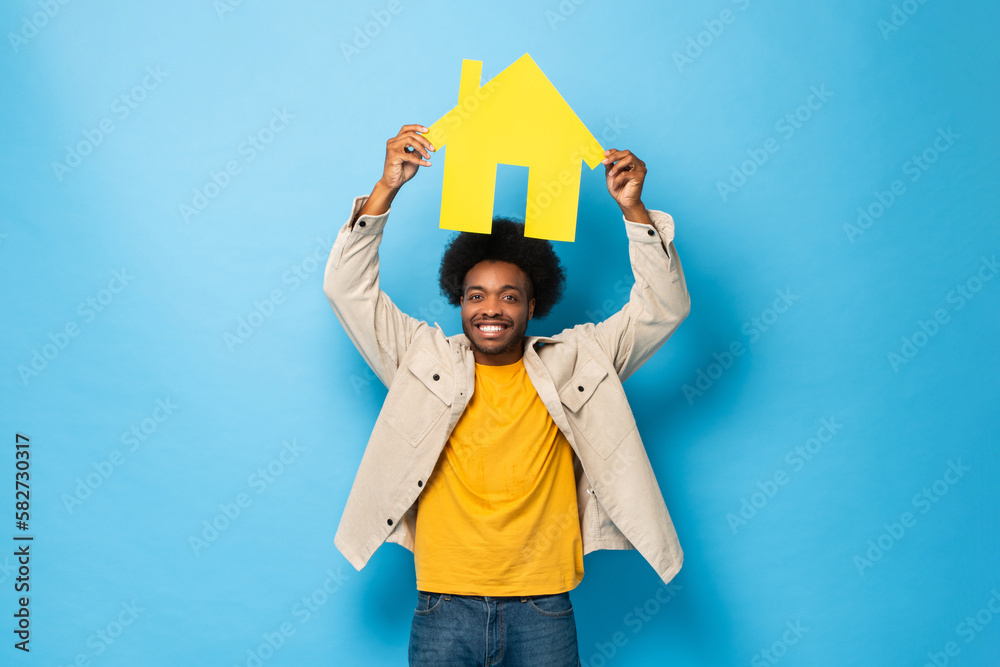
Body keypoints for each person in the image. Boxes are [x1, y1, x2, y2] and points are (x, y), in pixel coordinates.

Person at [323, 124, 691, 666]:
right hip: (443, 604)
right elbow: (346, 290)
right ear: (458, 299)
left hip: (543, 607)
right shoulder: (421, 359)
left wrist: (633, 211)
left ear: (533, 304)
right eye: (476, 295)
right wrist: (386, 189)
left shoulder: (579, 361)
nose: (490, 309)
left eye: (509, 296)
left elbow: (665, 306)